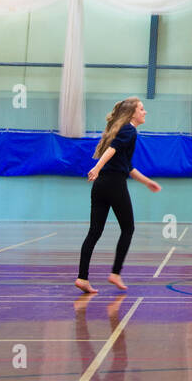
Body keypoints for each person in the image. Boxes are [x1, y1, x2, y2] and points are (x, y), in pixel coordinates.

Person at [75, 97, 161, 294]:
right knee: (128, 228)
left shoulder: (122, 130)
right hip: (114, 184)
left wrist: (147, 182)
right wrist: (96, 167)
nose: (145, 112)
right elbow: (112, 151)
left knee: (94, 231)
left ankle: (82, 277)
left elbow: (128, 167)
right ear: (132, 113)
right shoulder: (129, 130)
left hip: (100, 185)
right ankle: (115, 273)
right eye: (141, 109)